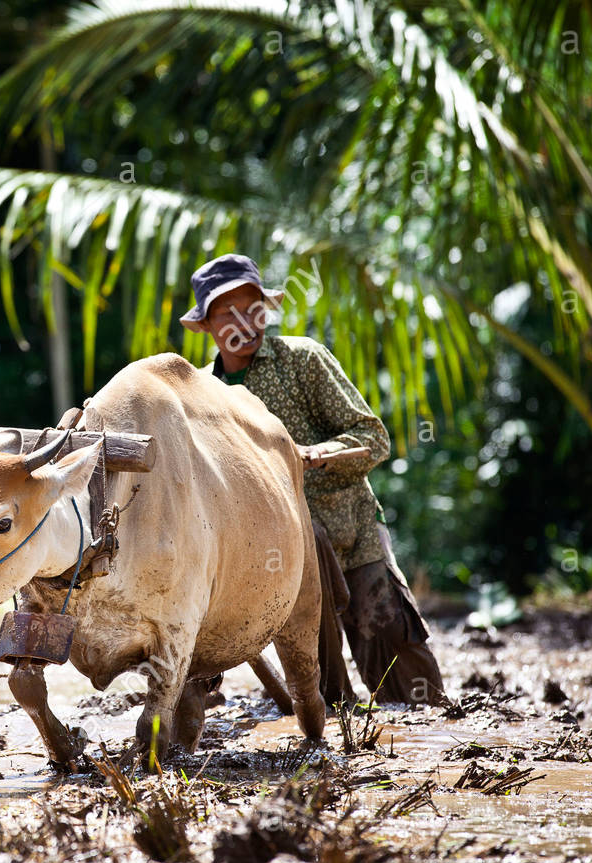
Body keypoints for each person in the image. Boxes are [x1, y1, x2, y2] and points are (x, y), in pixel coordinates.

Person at [181, 253, 446, 706]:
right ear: (206, 325)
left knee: (400, 666)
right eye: (228, 312)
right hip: (278, 557)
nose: (244, 322)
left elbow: (373, 437)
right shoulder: (203, 397)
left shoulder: (303, 360)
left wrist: (317, 455)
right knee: (317, 682)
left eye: (253, 308)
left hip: (350, 534)